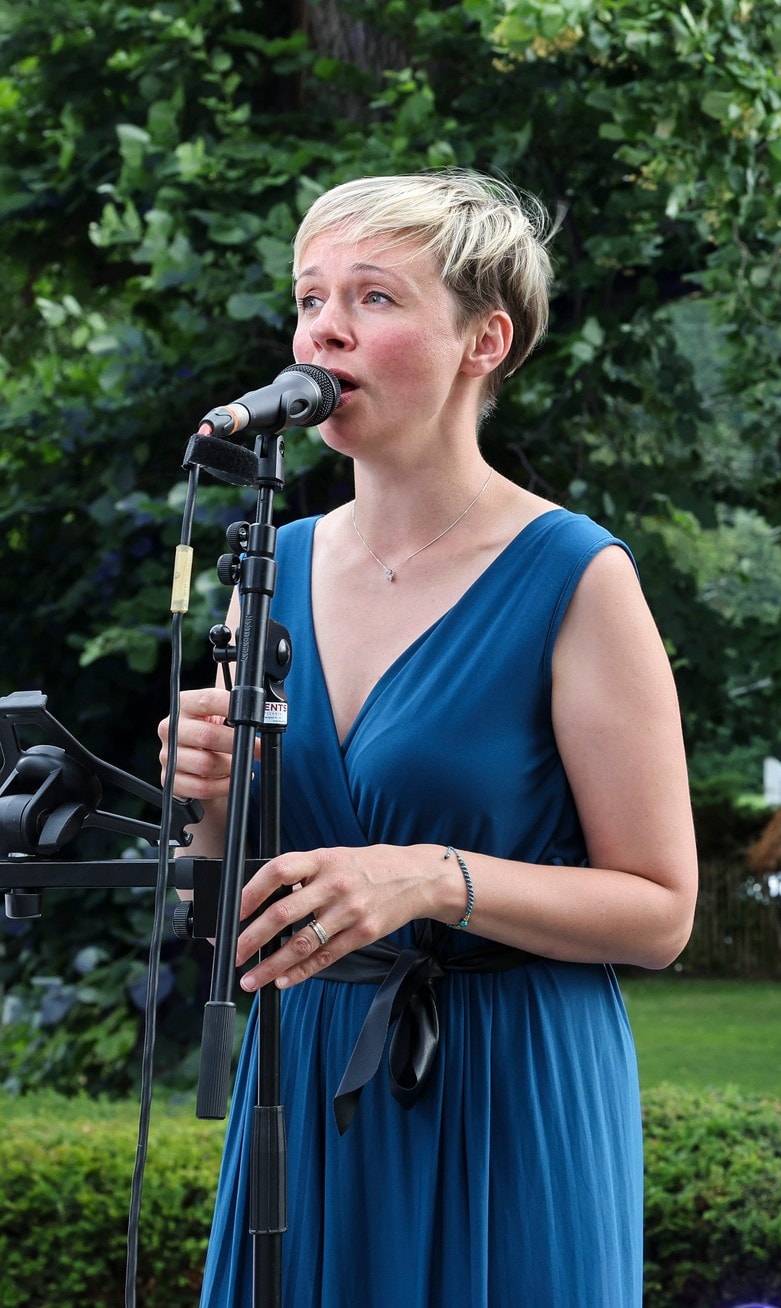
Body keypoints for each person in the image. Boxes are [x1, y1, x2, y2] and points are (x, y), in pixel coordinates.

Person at [158, 170, 699, 1307]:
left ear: (483, 342)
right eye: (310, 299)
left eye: (374, 297)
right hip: (302, 1078)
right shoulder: (273, 566)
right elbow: (227, 919)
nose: (326, 329)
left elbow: (660, 911)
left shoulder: (576, 576)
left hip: (511, 1078)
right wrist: (206, 805)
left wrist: (431, 879)